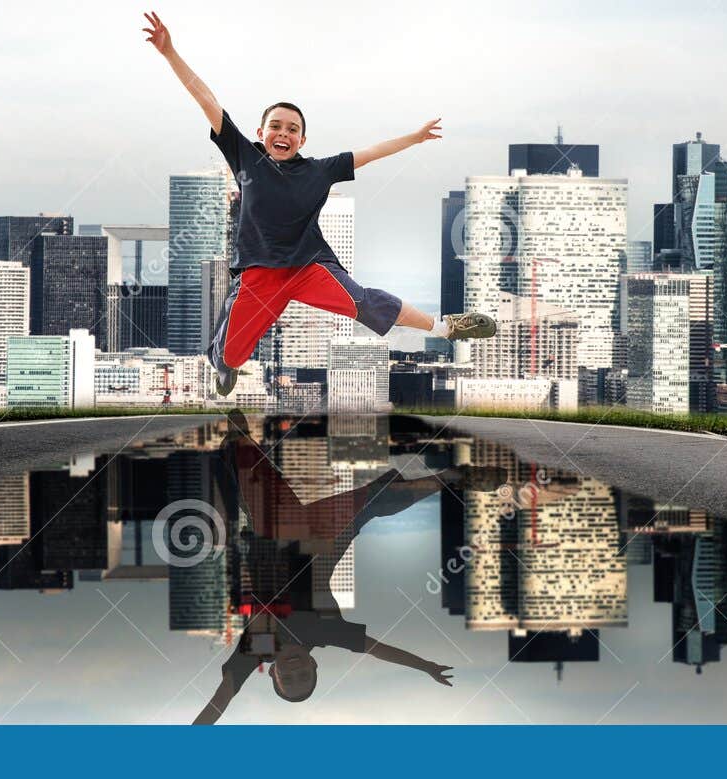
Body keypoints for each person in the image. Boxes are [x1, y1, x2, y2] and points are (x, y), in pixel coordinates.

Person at [142, 12, 498, 396]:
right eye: (275, 126)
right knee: (231, 354)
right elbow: (206, 98)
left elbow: (372, 152)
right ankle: (223, 364)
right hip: (259, 274)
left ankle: (446, 326)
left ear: (302, 140)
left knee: (363, 300)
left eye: (292, 129)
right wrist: (170, 52)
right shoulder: (245, 156)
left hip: (309, 266)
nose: (283, 133)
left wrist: (413, 138)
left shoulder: (319, 170)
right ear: (261, 133)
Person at [190, 411, 505, 724]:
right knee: (376, 502)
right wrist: (425, 666)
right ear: (314, 666)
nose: (296, 670)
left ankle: (238, 442)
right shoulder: (325, 632)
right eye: (305, 676)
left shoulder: (255, 649)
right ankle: (453, 478)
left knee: (247, 473)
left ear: (273, 672)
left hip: (272, 530)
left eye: (289, 678)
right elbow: (379, 650)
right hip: (320, 539)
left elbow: (221, 700)